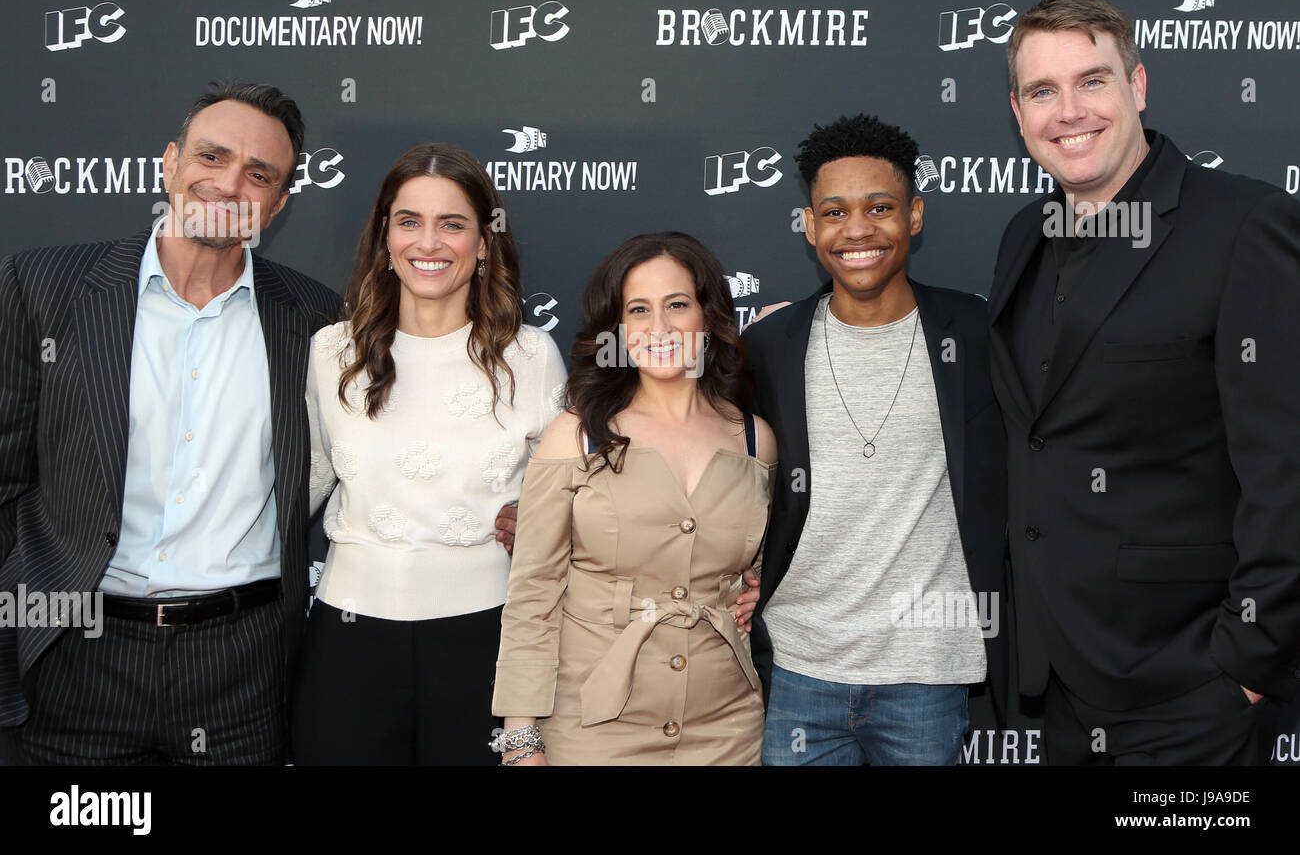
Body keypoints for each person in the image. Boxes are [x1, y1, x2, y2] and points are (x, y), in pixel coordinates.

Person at [990, 0, 1300, 764]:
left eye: (1092, 81)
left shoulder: (1242, 226)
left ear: (1138, 86)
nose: (1069, 111)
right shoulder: (1025, 234)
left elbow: (1287, 465)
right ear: (1018, 112)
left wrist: (1246, 663)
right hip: (1062, 686)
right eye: (1042, 91)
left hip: (1190, 690)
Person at [0, 81, 342, 764]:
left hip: (241, 669)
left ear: (278, 204)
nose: (226, 184)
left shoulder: (313, 319)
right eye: (211, 157)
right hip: (74, 655)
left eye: (258, 174)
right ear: (169, 163)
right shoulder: (46, 289)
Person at [743, 114, 1009, 766]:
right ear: (809, 225)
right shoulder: (768, 347)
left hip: (926, 671)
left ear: (914, 216)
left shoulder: (978, 334)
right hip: (800, 667)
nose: (857, 229)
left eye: (880, 207)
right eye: (834, 211)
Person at [291, 142, 566, 765]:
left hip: (489, 639)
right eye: (409, 221)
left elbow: (573, 502)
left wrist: (546, 520)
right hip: (348, 641)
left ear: (486, 242)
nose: (429, 243)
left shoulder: (530, 357)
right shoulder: (332, 352)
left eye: (453, 224)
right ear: (384, 237)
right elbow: (297, 489)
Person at [492, 232, 775, 765]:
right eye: (639, 310)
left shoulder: (756, 439)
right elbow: (533, 599)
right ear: (618, 329)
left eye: (677, 305)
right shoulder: (576, 435)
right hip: (595, 726)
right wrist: (520, 743)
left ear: (708, 317)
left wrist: (760, 588)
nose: (660, 328)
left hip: (728, 730)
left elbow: (759, 567)